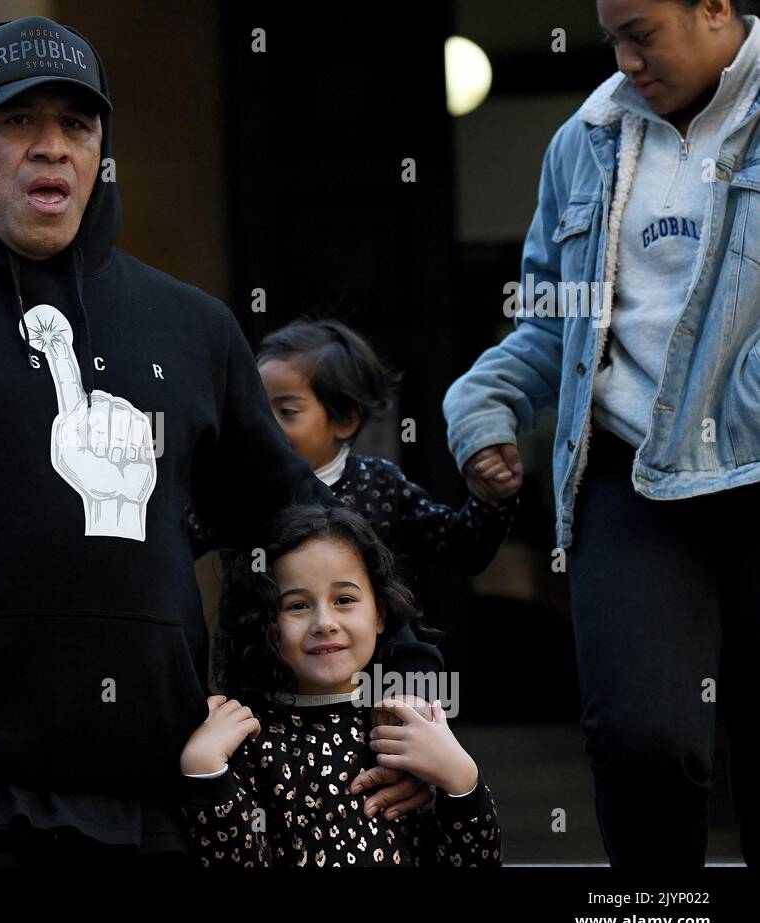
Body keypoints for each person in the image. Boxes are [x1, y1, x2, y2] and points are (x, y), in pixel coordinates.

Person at [0, 15, 443, 867]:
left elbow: (300, 525)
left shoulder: (192, 326)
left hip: (165, 801)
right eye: (17, 121)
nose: (51, 147)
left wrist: (404, 688)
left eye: (76, 123)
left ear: (102, 147)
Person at [444, 0, 760, 866]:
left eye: (641, 33)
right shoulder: (583, 140)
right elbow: (553, 320)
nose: (623, 59)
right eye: (610, 35)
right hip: (629, 477)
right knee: (642, 742)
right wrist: (485, 403)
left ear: (715, 9)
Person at [179, 504, 502, 867]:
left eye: (344, 600)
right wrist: (205, 770)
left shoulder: (405, 727)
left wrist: (461, 779)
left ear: (380, 614)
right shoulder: (245, 736)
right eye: (297, 605)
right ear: (264, 622)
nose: (324, 622)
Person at [190, 316, 518, 576]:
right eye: (260, 410)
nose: (267, 426)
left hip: (365, 661)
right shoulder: (241, 487)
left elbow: (457, 552)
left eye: (287, 412)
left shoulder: (380, 485)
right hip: (256, 658)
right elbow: (179, 539)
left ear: (345, 419)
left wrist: (489, 502)